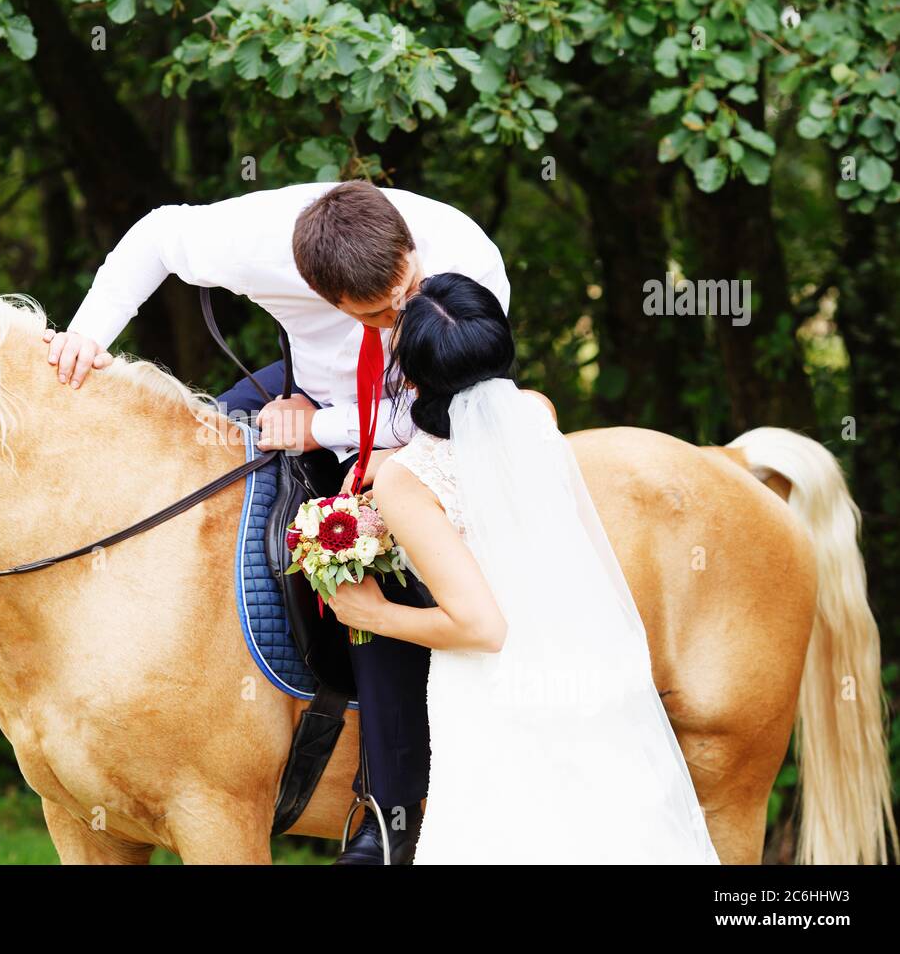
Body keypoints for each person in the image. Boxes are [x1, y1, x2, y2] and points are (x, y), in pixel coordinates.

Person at [44, 180, 510, 864]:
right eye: (376, 312)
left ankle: (393, 810)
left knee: (387, 556)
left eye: (403, 291)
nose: (398, 314)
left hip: (419, 417)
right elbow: (158, 232)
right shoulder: (255, 242)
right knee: (185, 460)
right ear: (322, 293)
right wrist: (87, 333)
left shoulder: (466, 261)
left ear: (410, 247)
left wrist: (316, 429)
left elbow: (449, 411)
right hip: (313, 383)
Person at [328, 273, 720, 863]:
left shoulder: (406, 480)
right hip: (589, 671)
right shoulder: (537, 414)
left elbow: (484, 627)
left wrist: (373, 612)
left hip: (498, 694)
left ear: (408, 376)